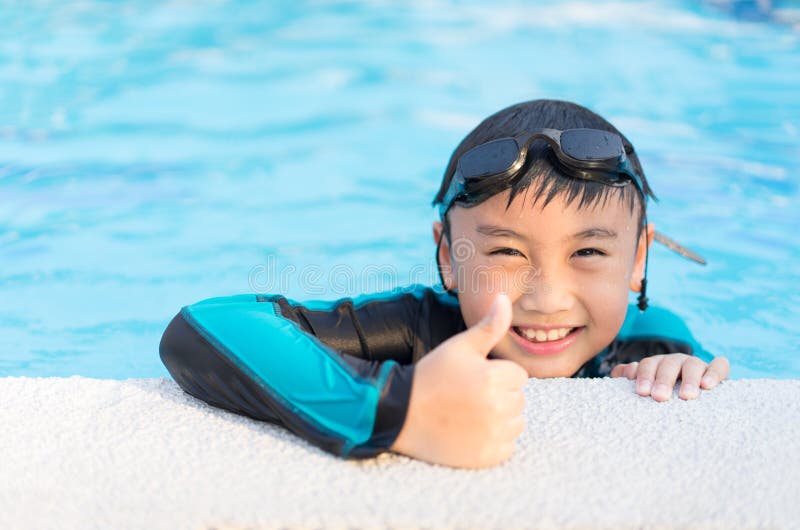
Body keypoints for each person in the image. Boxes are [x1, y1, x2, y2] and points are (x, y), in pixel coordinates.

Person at [159, 99, 730, 469]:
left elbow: (702, 382)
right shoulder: (418, 325)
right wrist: (395, 410)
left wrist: (686, 369)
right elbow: (208, 324)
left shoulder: (653, 340)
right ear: (449, 256)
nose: (547, 296)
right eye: (506, 251)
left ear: (638, 259)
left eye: (588, 251)